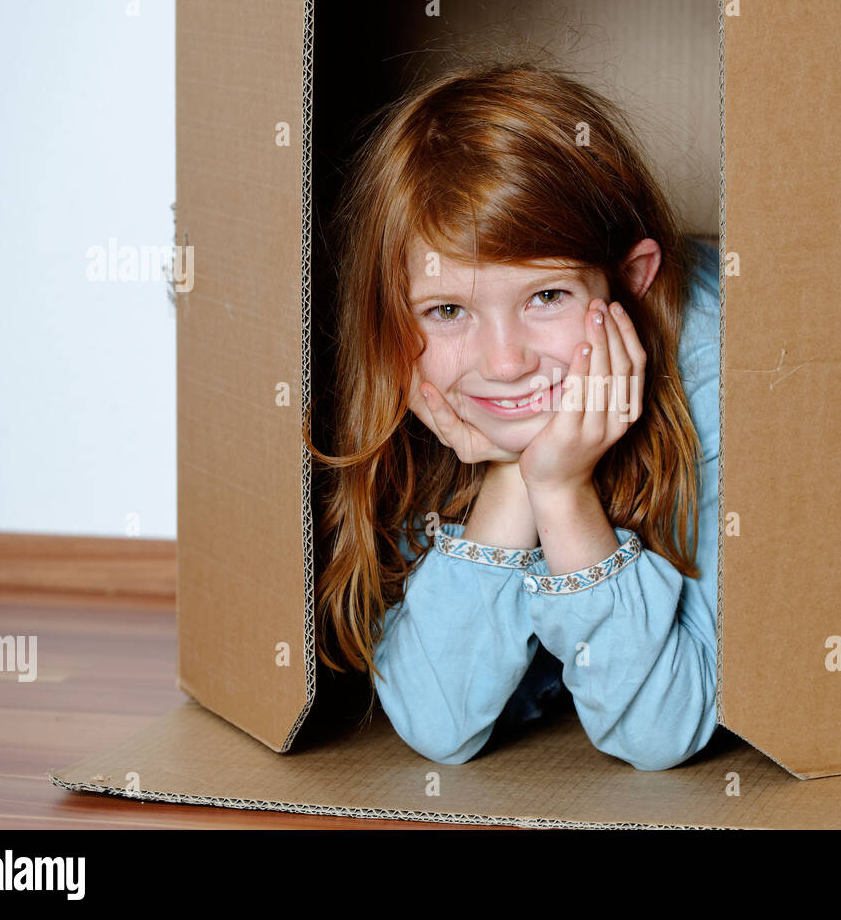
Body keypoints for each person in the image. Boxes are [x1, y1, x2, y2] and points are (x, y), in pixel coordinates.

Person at [307, 61, 719, 771]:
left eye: (547, 297)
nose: (504, 363)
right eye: (448, 309)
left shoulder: (713, 369)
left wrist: (563, 491)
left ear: (631, 282)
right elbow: (438, 722)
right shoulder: (422, 388)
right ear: (390, 320)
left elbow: (663, 730)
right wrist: (512, 478)